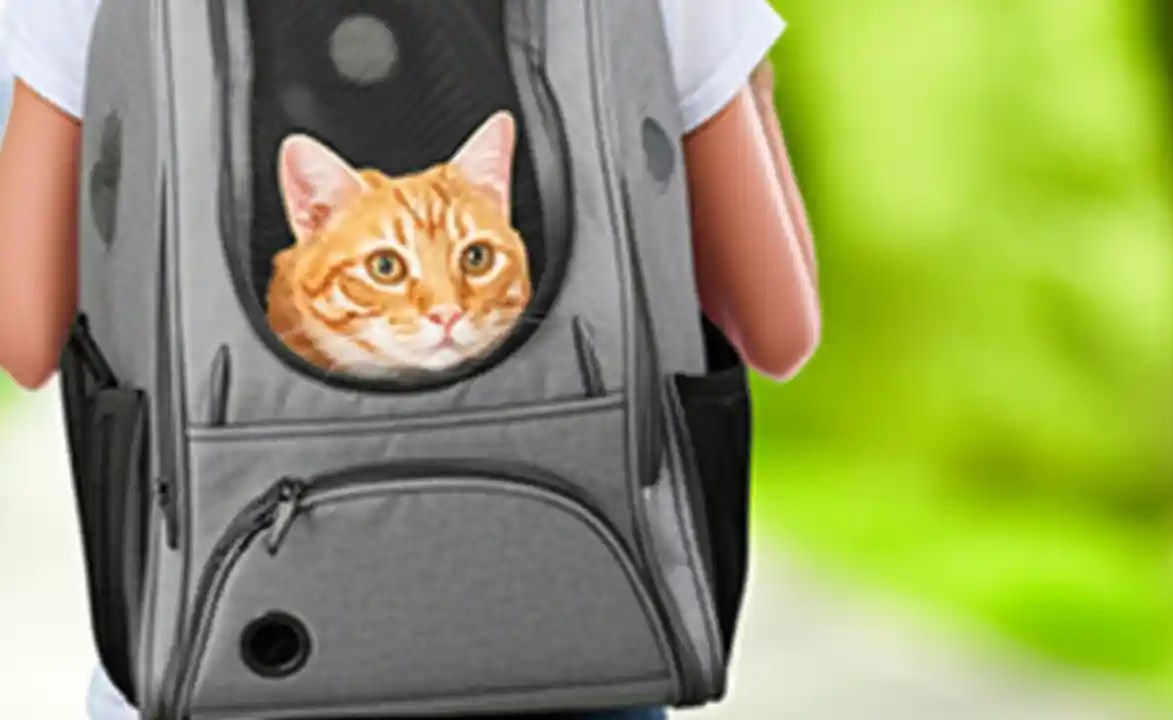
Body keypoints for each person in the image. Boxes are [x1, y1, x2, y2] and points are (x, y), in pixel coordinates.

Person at [0, 0, 821, 718]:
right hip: (581, 644)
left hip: (227, 639)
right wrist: (747, 79)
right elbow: (778, 332)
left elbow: (28, 340)